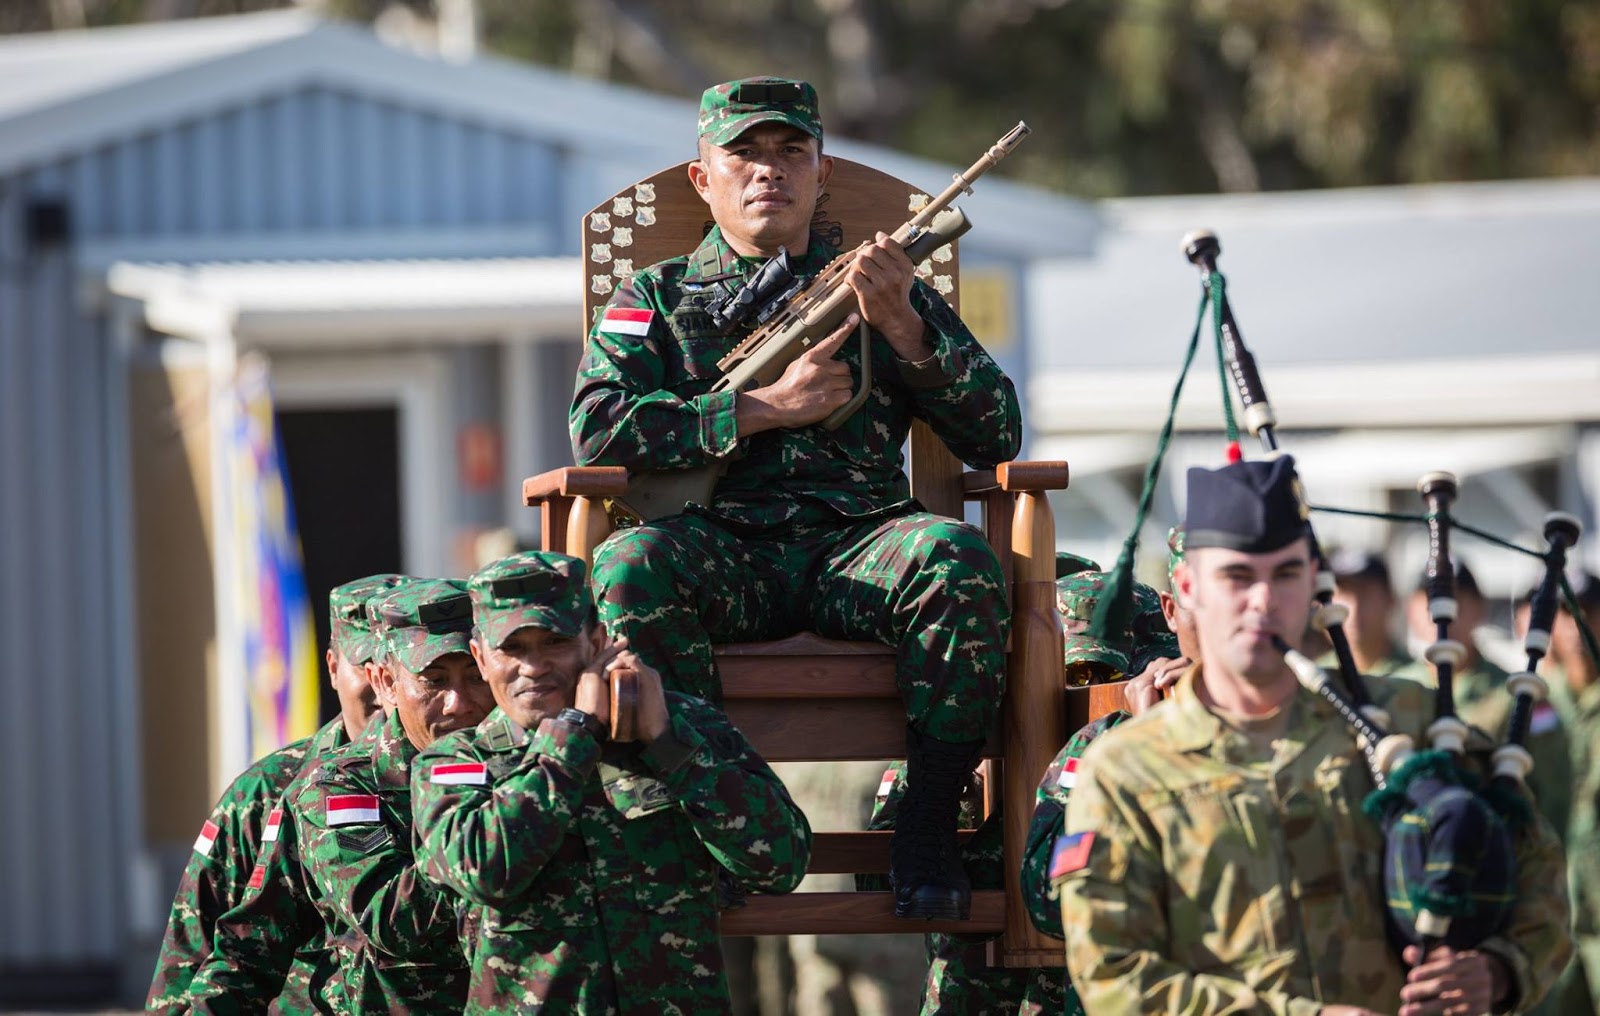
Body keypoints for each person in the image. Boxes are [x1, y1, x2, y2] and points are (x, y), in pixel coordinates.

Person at [570, 76, 1021, 919]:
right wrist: (757, 410)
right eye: (744, 153)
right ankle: (709, 827)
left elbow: (996, 434)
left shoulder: (884, 283)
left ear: (822, 176)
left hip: (859, 548)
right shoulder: (656, 300)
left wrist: (906, 331)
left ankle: (925, 830)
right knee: (629, 567)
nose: (767, 172)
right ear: (704, 180)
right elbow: (597, 431)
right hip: (722, 548)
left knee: (955, 557)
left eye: (791, 153)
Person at [1056, 456, 1572, 1015]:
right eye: (1237, 576)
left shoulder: (1410, 721)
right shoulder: (1125, 770)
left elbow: (1535, 865)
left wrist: (1499, 970)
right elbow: (1112, 974)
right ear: (1187, 589)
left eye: (1285, 575)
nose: (1262, 601)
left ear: (1312, 587)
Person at [411, 551, 812, 1013]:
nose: (533, 666)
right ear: (481, 658)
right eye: (512, 648)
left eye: (555, 642)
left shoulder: (680, 725)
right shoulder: (457, 762)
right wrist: (574, 734)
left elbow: (781, 862)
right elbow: (485, 871)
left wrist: (670, 745)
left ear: (598, 641)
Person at [861, 565, 1177, 1016]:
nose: (1084, 694)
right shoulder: (962, 740)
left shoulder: (1165, 754)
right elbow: (876, 885)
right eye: (1076, 675)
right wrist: (958, 792)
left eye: (1105, 680)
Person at [193, 578, 495, 1014]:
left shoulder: (529, 765)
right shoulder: (337, 788)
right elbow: (390, 919)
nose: (459, 703)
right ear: (386, 682)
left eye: (475, 676)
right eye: (433, 680)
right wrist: (501, 831)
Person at [147, 573, 403, 1013]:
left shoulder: (462, 785)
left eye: (399, 666)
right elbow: (191, 956)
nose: (383, 683)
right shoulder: (269, 791)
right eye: (368, 665)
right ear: (333, 668)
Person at [1406, 558, 1573, 836]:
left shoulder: (1520, 695)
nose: (1443, 611)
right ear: (1410, 609)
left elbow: (1552, 794)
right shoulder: (1397, 688)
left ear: (1480, 609)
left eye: (1459, 599)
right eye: (1430, 599)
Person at [1325, 548, 1425, 679]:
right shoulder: (1313, 676)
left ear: (1390, 600)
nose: (1354, 608)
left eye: (1365, 594)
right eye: (1344, 594)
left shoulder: (1418, 681)